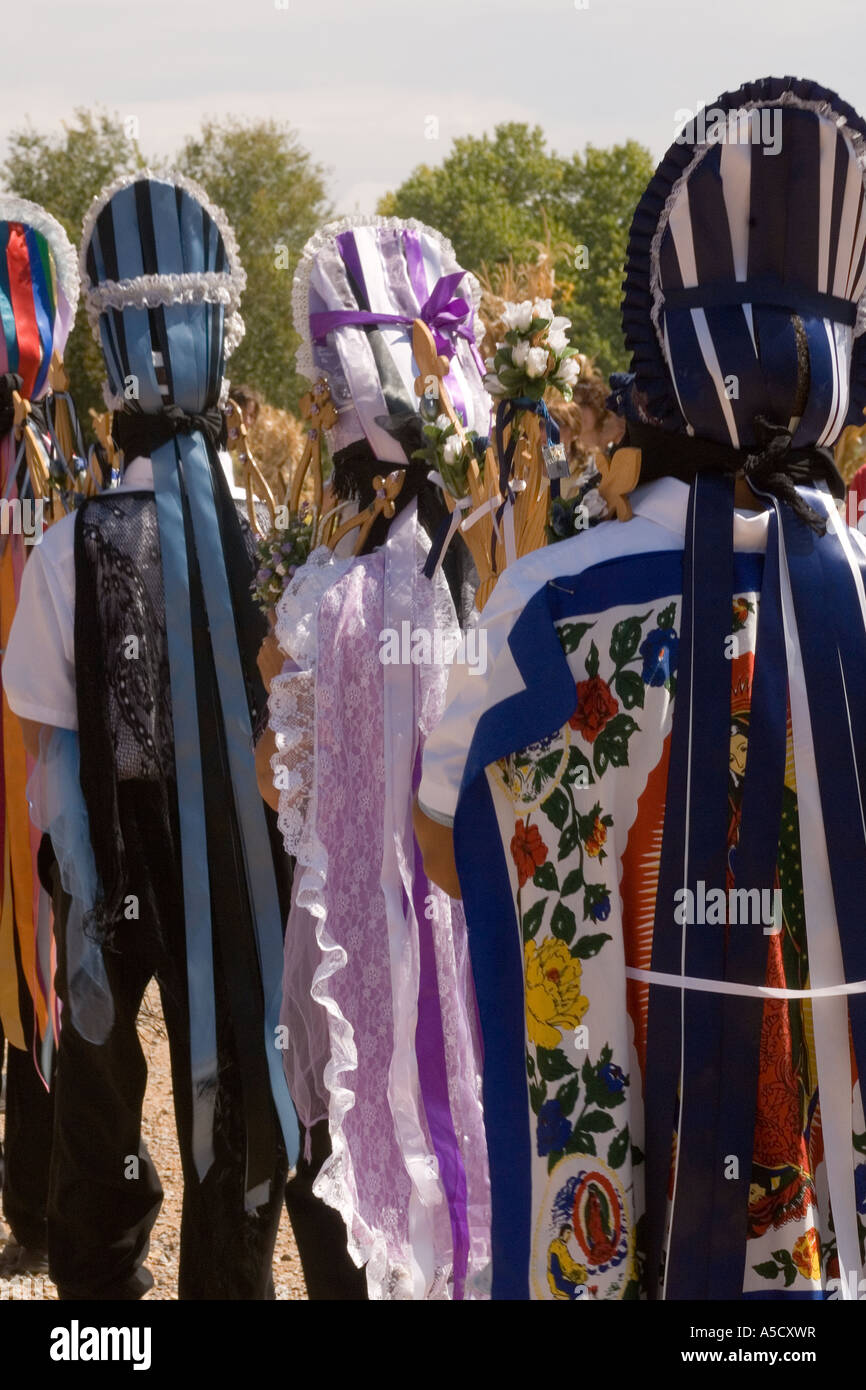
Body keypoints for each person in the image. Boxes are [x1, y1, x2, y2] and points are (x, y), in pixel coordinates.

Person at [415, 75, 866, 1300]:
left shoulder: (552, 603)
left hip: (628, 1189)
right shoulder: (853, 591)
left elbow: (449, 836)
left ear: (650, 401)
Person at [4, 172, 298, 1300]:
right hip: (243, 850)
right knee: (235, 1057)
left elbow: (43, 722)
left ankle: (102, 1290)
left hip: (108, 854)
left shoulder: (82, 536)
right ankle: (230, 1274)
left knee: (99, 1082)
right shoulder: (260, 526)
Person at [257, 213, 491, 1298]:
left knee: (363, 1115)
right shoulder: (474, 555)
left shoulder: (337, 582)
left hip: (367, 935)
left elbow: (279, 775)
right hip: (474, 929)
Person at [0, 196, 80, 1276]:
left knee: (40, 949)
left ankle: (36, 1186)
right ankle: (36, 1192)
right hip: (36, 733)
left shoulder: (56, 458)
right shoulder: (54, 454)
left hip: (30, 729)